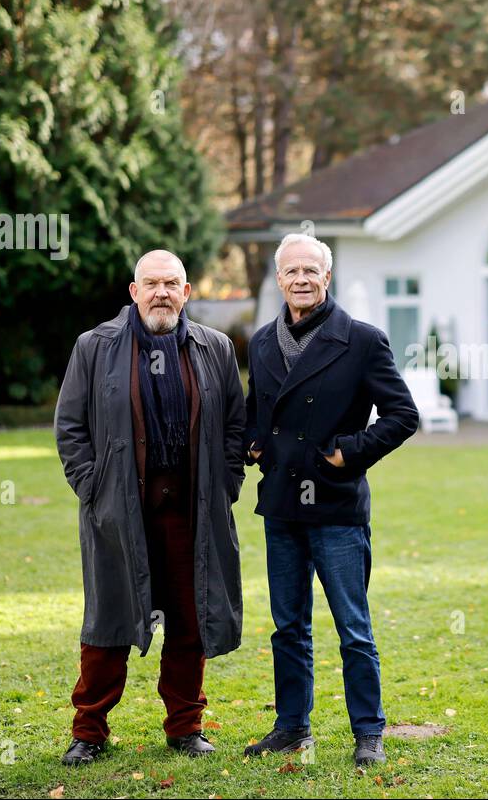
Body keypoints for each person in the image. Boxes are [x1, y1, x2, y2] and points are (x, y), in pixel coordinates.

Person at [53, 249, 248, 765]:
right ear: (134, 292)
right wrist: (92, 488)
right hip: (120, 512)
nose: (162, 292)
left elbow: (234, 423)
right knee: (109, 621)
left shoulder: (216, 349)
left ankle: (185, 726)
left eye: (172, 283)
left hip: (192, 512)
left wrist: (226, 481)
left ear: (187, 293)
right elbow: (70, 426)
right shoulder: (94, 348)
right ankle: (88, 731)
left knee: (190, 620)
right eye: (151, 283)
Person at [242, 233, 419, 767]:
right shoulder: (262, 342)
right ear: (279, 279)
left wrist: (349, 452)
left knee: (353, 627)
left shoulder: (362, 340)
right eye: (291, 271)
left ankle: (369, 731)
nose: (301, 279)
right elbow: (259, 407)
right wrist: (254, 441)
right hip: (281, 506)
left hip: (336, 506)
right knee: (288, 625)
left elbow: (403, 416)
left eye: (311, 271)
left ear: (327, 277)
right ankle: (292, 727)